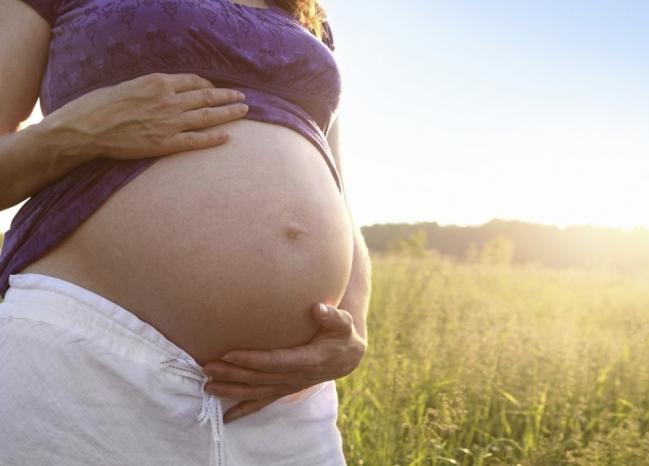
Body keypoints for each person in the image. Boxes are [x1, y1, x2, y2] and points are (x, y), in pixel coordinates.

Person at [0, 0, 371, 464]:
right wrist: (76, 132)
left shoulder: (305, 12)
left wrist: (352, 331)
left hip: (283, 403)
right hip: (89, 361)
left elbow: (338, 187)